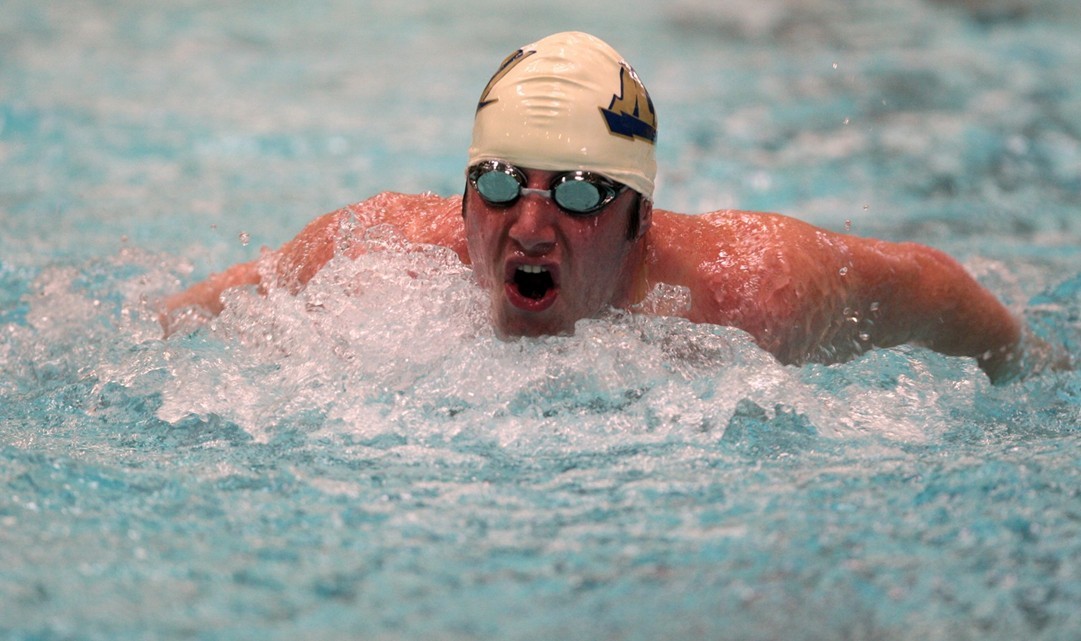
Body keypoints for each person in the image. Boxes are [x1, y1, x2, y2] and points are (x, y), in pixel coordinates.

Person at [160, 31, 1059, 383]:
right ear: (462, 198)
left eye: (581, 192)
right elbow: (207, 308)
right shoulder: (377, 253)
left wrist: (1032, 370)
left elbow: (935, 288)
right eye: (500, 183)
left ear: (641, 220)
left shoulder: (748, 292)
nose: (529, 226)